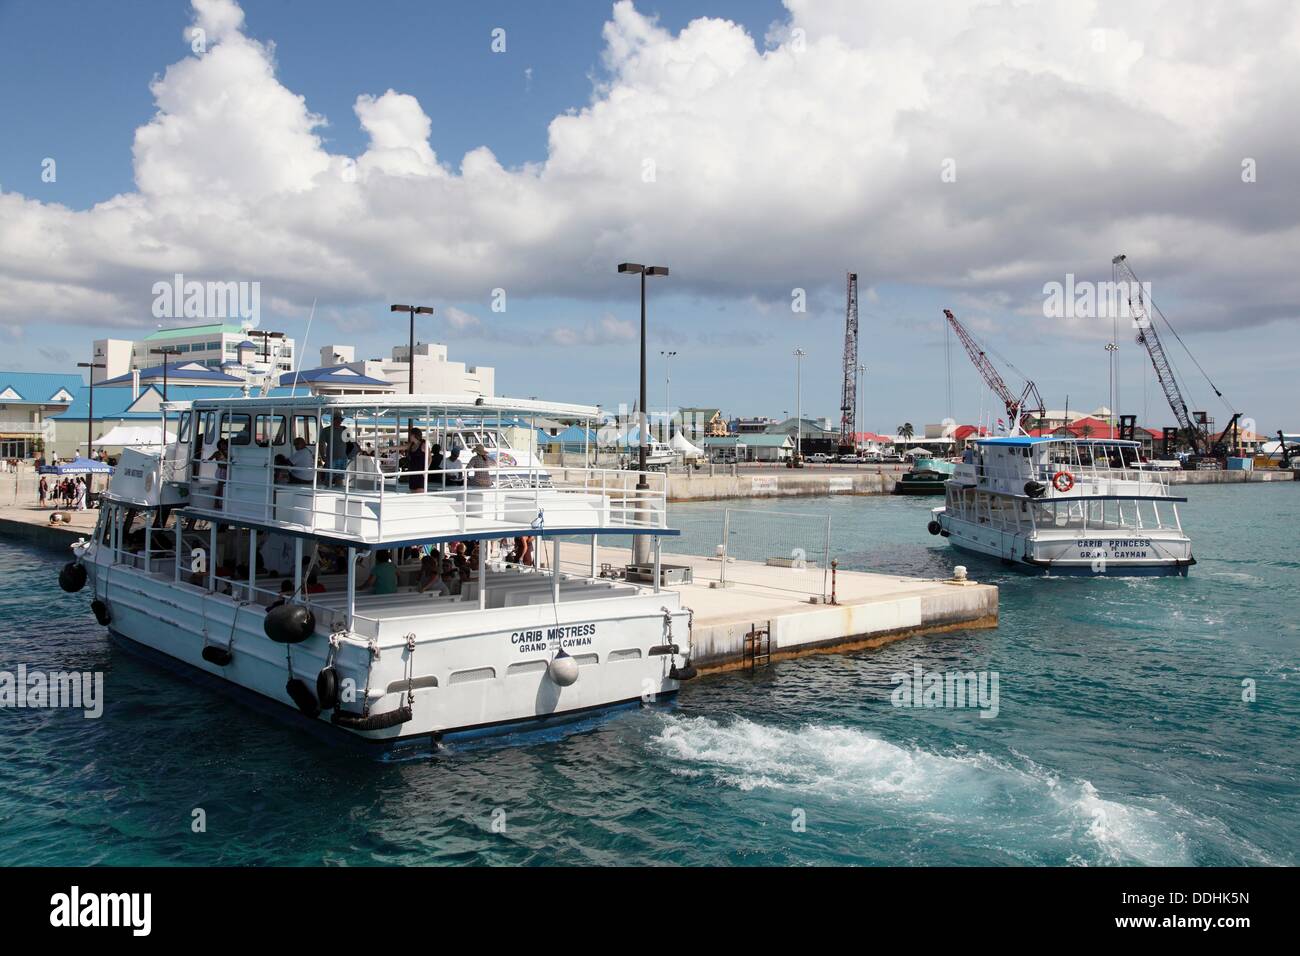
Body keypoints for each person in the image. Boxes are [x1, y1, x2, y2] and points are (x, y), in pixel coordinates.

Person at [319, 412, 351, 485]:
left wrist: (351, 454)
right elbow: (321, 444)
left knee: (340, 477)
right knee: (328, 477)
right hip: (331, 458)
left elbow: (350, 442)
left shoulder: (344, 429)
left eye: (340, 420)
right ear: (333, 420)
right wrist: (323, 456)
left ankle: (338, 492)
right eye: (338, 420)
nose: (339, 422)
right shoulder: (326, 430)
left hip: (343, 458)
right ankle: (326, 493)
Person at [405, 428, 427, 492]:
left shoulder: (423, 445)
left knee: (419, 494)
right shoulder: (411, 445)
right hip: (412, 473)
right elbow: (401, 447)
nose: (409, 436)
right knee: (412, 494)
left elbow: (429, 458)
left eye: (410, 435)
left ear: (414, 435)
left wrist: (426, 470)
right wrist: (388, 447)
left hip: (420, 474)